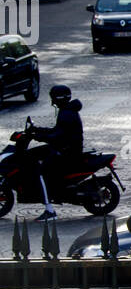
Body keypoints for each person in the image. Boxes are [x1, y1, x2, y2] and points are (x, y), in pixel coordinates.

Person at [26, 84, 85, 220]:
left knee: (40, 172)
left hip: (67, 152)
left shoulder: (67, 113)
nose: (52, 101)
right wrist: (38, 130)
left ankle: (50, 210)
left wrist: (38, 136)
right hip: (65, 149)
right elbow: (57, 131)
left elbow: (58, 136)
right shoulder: (67, 110)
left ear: (57, 99)